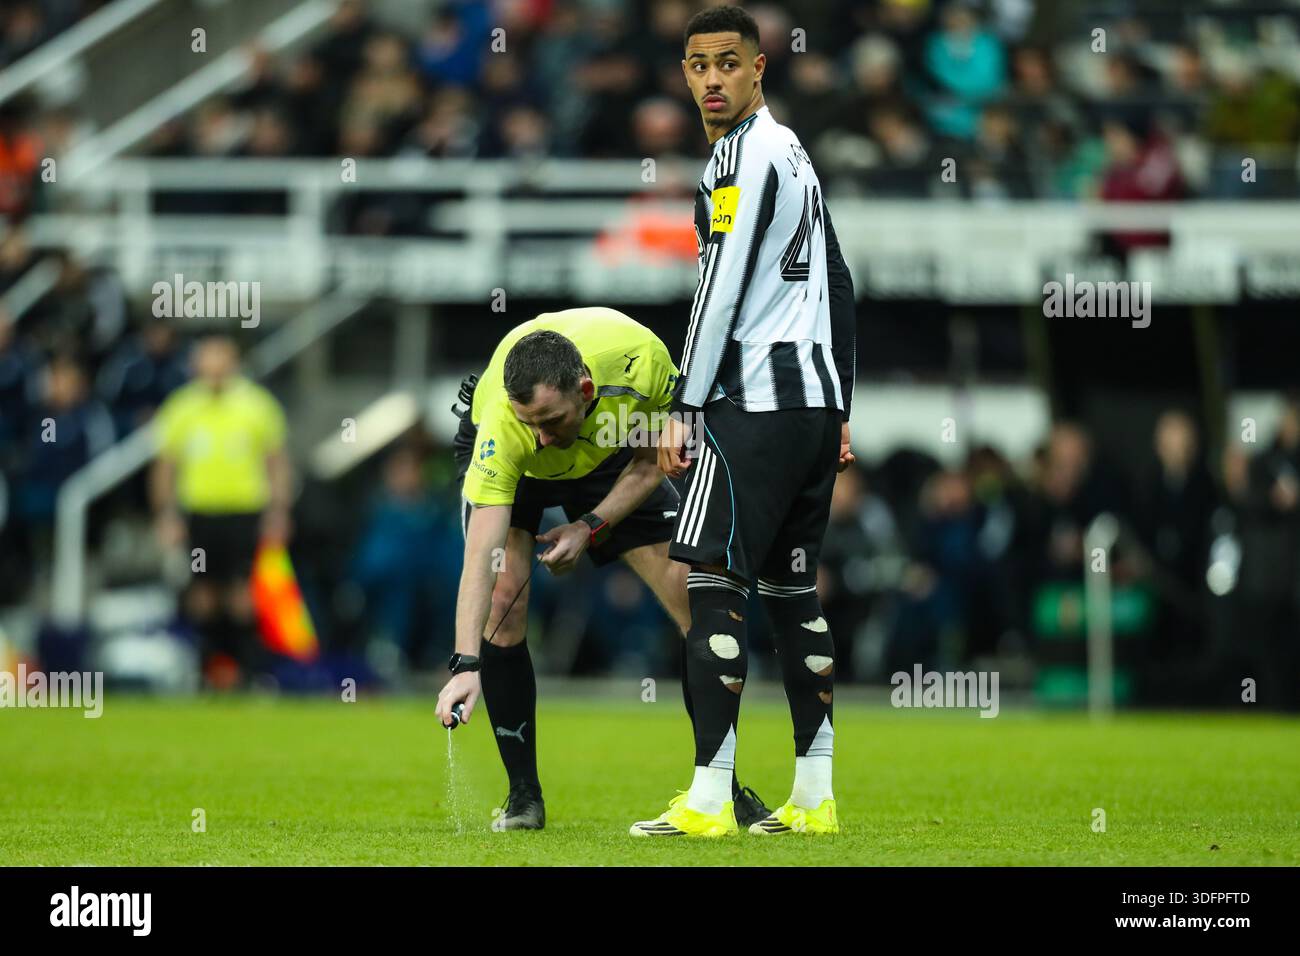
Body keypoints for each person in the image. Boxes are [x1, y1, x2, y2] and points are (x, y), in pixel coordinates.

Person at [631, 5, 856, 838]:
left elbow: (719, 287)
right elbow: (839, 280)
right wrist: (840, 406)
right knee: (795, 593)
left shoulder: (740, 157)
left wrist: (684, 404)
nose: (713, 79)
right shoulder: (796, 154)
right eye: (699, 65)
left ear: (760, 69)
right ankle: (814, 797)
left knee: (713, 586)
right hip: (810, 409)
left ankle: (709, 798)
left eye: (729, 63)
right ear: (686, 74)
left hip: (752, 407)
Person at [434, 306, 771, 831]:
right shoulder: (509, 424)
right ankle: (524, 796)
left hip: (607, 456)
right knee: (505, 599)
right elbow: (481, 554)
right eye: (532, 423)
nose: (542, 437)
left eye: (550, 421)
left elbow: (646, 461)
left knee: (695, 599)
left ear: (587, 390)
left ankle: (719, 786)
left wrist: (589, 526)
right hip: (521, 476)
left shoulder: (645, 367)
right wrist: (465, 664)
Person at [150, 336, 292, 687]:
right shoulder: (181, 406)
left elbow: (276, 463)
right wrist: (167, 515)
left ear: (233, 360)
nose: (213, 365)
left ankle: (248, 674)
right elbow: (165, 466)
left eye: (220, 356)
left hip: (243, 513)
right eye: (206, 357)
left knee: (242, 593)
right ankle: (207, 672)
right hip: (199, 515)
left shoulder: (257, 405)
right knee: (202, 594)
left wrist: (278, 511)